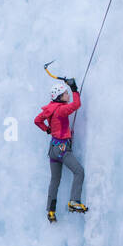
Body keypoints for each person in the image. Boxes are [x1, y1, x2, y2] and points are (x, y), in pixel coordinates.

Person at [33, 77, 87, 222]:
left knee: (55, 180)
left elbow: (37, 120)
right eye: (66, 93)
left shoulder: (50, 109)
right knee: (79, 171)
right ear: (60, 97)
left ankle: (51, 211)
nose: (68, 95)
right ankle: (74, 201)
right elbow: (77, 104)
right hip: (62, 148)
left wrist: (48, 129)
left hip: (53, 149)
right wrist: (74, 88)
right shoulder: (62, 110)